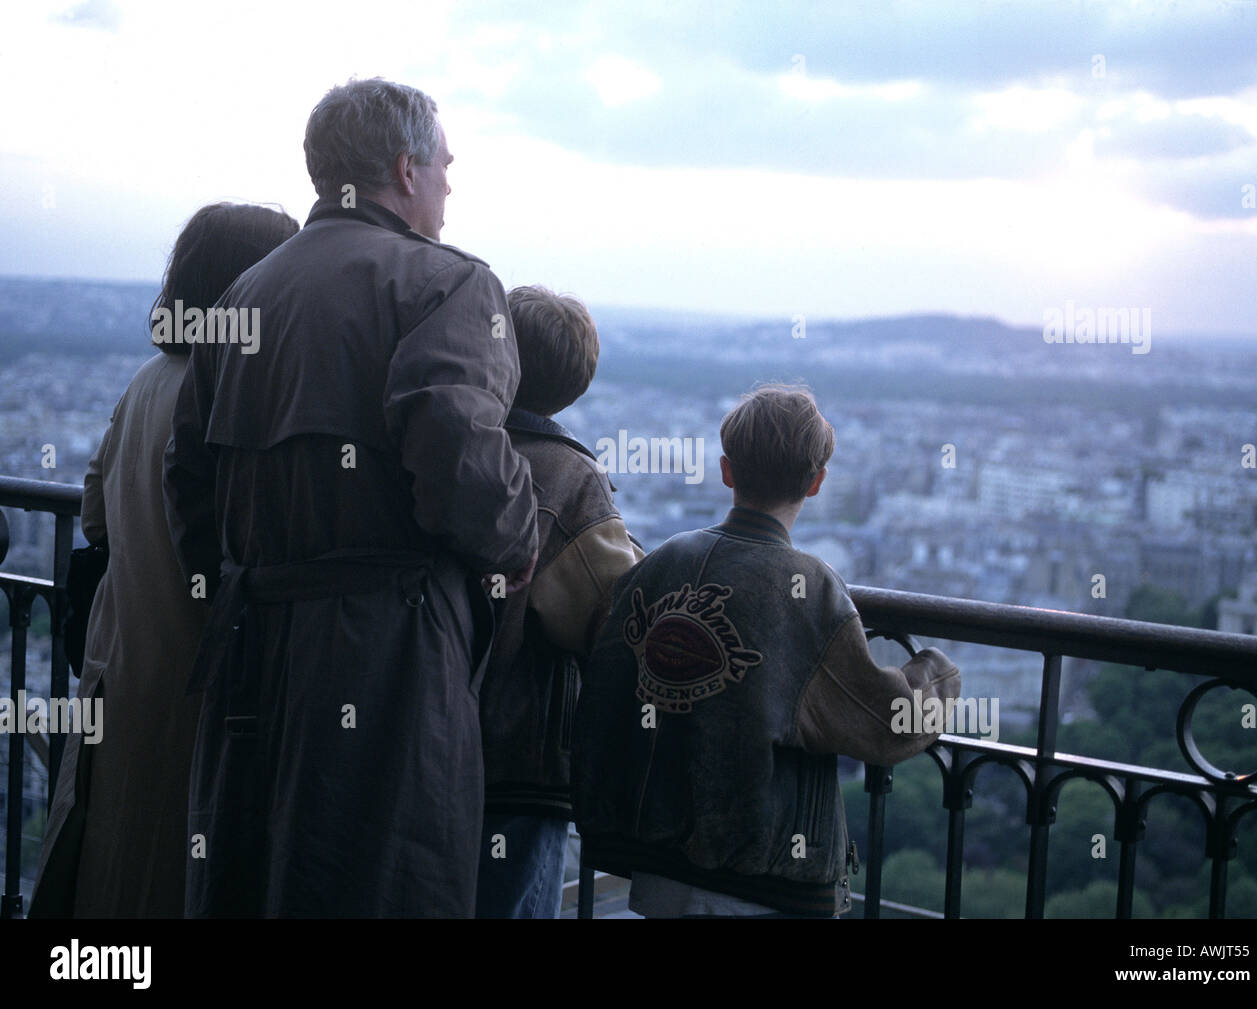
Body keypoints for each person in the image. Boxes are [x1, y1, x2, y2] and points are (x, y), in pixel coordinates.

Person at [163, 78, 538, 918]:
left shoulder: (243, 294)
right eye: (444, 165)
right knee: (384, 878)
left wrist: (234, 581)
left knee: (248, 880)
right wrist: (519, 540)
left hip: (251, 643)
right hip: (389, 652)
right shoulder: (447, 287)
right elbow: (462, 461)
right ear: (406, 170)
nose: (450, 182)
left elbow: (185, 477)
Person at [573, 384, 961, 917]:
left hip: (656, 863)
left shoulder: (659, 563)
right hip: (764, 875)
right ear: (817, 482)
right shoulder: (810, 589)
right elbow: (887, 719)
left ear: (727, 470)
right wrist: (936, 675)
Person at [29, 203, 300, 917]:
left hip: (122, 674)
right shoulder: (238, 393)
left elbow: (93, 514)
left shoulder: (147, 383)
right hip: (204, 687)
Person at [475, 286, 643, 918]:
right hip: (523, 758)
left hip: (425, 737)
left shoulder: (450, 450)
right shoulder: (573, 479)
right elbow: (616, 619)